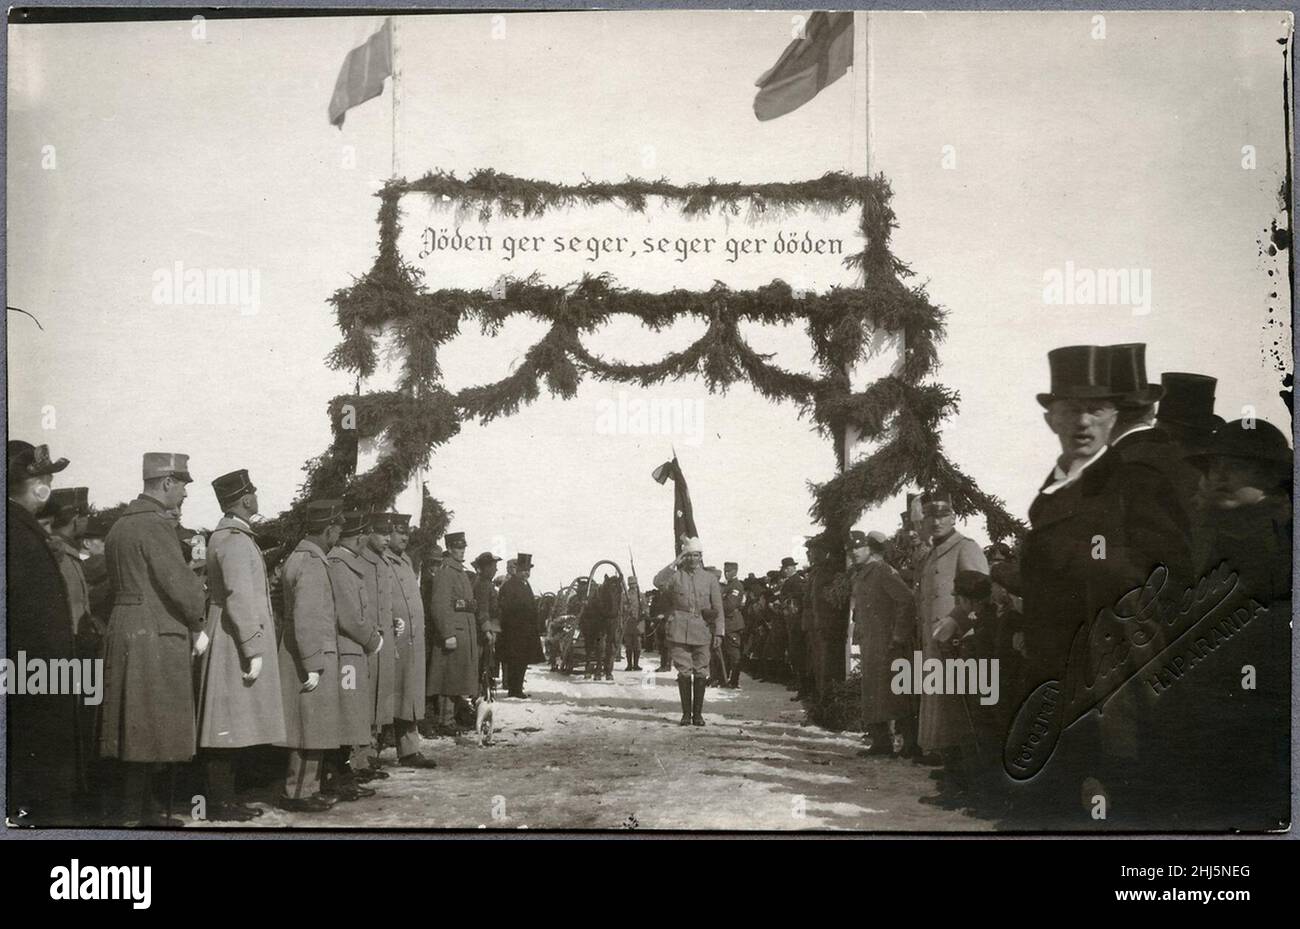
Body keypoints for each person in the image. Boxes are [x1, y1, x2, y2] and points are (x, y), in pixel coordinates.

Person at [99, 452, 208, 826]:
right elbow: (180, 586)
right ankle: (137, 816)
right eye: (182, 485)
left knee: (134, 728)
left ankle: (138, 812)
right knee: (150, 728)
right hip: (155, 634)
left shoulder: (120, 526)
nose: (184, 494)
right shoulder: (155, 526)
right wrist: (199, 618)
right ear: (166, 483)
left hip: (125, 626)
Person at [196, 469, 286, 822]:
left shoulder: (233, 536)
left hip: (232, 633)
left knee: (231, 721)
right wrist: (253, 648)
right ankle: (219, 802)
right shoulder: (234, 539)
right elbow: (239, 597)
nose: (257, 495)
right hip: (233, 638)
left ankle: (226, 798)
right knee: (225, 723)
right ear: (245, 498)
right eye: (254, 491)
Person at [6, 441, 82, 825]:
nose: (49, 484)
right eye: (46, 476)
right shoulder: (17, 531)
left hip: (31, 672)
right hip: (34, 676)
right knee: (38, 778)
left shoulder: (20, 526)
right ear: (35, 483)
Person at [275, 499, 345, 813]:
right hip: (311, 656)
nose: (338, 534)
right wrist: (314, 664)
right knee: (308, 727)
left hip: (303, 653)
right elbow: (308, 617)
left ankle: (307, 788)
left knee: (309, 726)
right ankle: (298, 793)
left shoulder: (300, 557)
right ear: (329, 529)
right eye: (337, 529)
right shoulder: (313, 563)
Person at [913, 492, 988, 766]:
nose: (936, 521)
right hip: (934, 637)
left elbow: (981, 593)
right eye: (930, 515)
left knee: (954, 696)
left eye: (943, 515)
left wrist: (956, 622)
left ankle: (955, 754)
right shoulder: (933, 553)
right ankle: (938, 747)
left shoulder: (965, 548)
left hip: (956, 637)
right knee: (937, 692)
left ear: (954, 517)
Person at [326, 512, 384, 798]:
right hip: (347, 653)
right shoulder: (340, 565)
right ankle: (338, 777)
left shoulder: (345, 563)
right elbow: (349, 616)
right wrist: (373, 640)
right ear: (360, 536)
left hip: (352, 651)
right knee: (346, 715)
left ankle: (342, 773)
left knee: (350, 714)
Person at [848, 530, 915, 758]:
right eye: (851, 549)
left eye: (859, 547)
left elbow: (906, 600)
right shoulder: (863, 574)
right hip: (871, 643)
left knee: (894, 693)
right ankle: (881, 742)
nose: (854, 552)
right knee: (874, 693)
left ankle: (909, 744)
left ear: (870, 548)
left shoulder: (882, 571)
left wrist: (898, 636)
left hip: (887, 643)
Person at [653, 537, 724, 726]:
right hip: (679, 630)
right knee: (684, 672)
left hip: (702, 630)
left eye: (696, 555)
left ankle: (698, 715)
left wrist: (719, 633)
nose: (693, 559)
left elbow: (718, 607)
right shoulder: (676, 576)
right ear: (685, 557)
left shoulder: (710, 579)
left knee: (701, 671)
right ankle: (686, 714)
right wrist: (677, 560)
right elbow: (657, 581)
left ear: (701, 557)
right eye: (689, 555)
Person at [385, 513, 435, 767]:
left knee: (409, 693)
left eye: (406, 533)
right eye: (398, 532)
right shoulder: (381, 560)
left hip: (412, 640)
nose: (404, 537)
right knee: (385, 695)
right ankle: (367, 754)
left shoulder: (405, 561)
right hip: (392, 639)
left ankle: (409, 750)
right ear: (387, 533)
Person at [428, 531, 481, 734]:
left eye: (463, 547)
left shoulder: (458, 571)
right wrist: (447, 633)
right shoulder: (446, 571)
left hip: (463, 630)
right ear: (449, 549)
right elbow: (440, 605)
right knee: (448, 679)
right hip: (454, 633)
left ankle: (451, 718)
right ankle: (445, 721)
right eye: (458, 548)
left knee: (457, 678)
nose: (462, 551)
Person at [499, 553, 543, 697]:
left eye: (528, 570)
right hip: (514, 630)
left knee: (522, 660)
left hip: (525, 630)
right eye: (524, 570)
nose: (526, 573)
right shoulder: (510, 586)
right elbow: (507, 608)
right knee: (514, 661)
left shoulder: (525, 584)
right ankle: (514, 689)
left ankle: (517, 688)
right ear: (517, 570)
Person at [472, 551, 502, 688]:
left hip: (484, 630)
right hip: (481, 633)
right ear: (486, 567)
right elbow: (483, 610)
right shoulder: (483, 584)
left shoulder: (485, 583)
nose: (496, 569)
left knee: (483, 664)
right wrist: (488, 631)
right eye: (494, 566)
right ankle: (478, 695)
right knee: (481, 665)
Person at [718, 562, 746, 688]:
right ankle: (724, 679)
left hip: (732, 623)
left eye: (728, 571)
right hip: (727, 623)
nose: (726, 573)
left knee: (734, 654)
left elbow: (729, 605)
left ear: (735, 571)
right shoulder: (728, 586)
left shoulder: (736, 586)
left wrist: (717, 605)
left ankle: (734, 681)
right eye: (725, 571)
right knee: (725, 653)